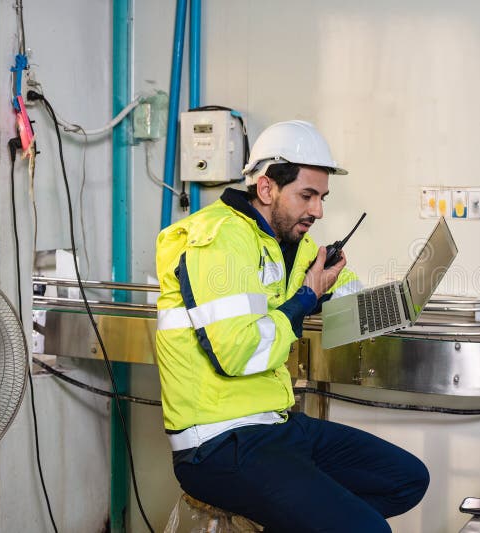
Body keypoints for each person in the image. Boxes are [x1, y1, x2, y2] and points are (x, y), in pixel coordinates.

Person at [154, 120, 429, 532]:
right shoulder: (217, 240)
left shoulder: (289, 246)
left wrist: (400, 301)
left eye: (322, 197)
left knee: (407, 480)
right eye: (307, 195)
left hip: (276, 425)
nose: (318, 210)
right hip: (217, 444)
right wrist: (306, 298)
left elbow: (345, 299)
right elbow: (239, 353)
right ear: (266, 188)